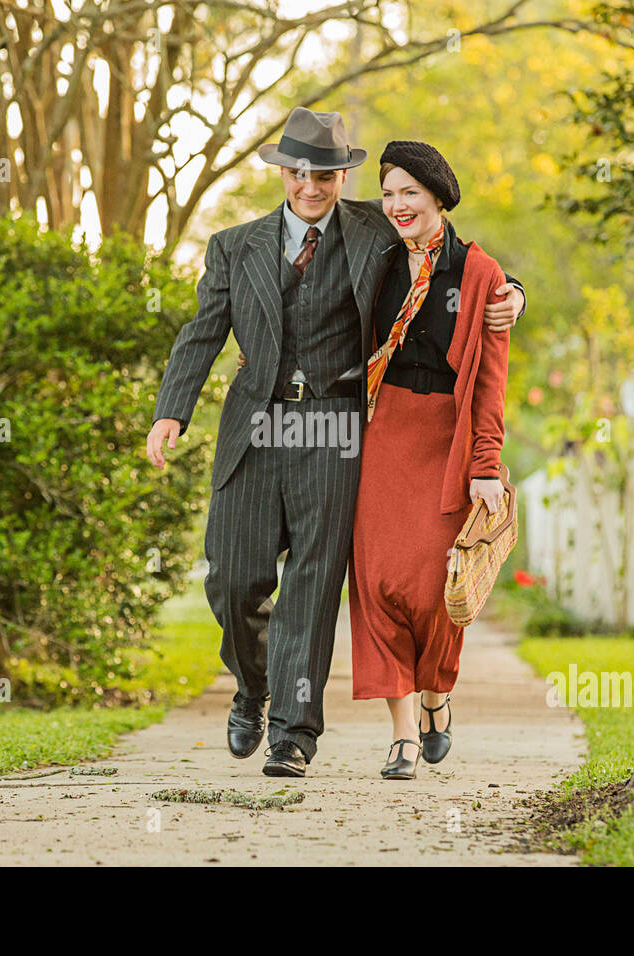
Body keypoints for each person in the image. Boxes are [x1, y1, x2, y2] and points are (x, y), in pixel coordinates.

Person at [146, 108, 525, 778]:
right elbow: (202, 330)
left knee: (316, 587)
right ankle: (251, 687)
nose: (312, 185)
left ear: (341, 175)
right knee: (234, 579)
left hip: (337, 431)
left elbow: (452, 253)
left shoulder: (374, 230)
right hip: (259, 429)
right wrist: (171, 411)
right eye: (299, 172)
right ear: (282, 173)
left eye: (325, 173)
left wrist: (511, 292)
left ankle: (295, 733)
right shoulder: (236, 246)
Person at [348, 141, 519, 779]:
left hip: (446, 438)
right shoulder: (373, 258)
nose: (396, 205)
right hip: (383, 432)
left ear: (438, 198)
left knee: (435, 589)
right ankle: (401, 737)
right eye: (387, 193)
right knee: (378, 582)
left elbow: (491, 382)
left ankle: (437, 696)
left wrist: (485, 465)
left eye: (409, 193)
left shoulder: (480, 275)